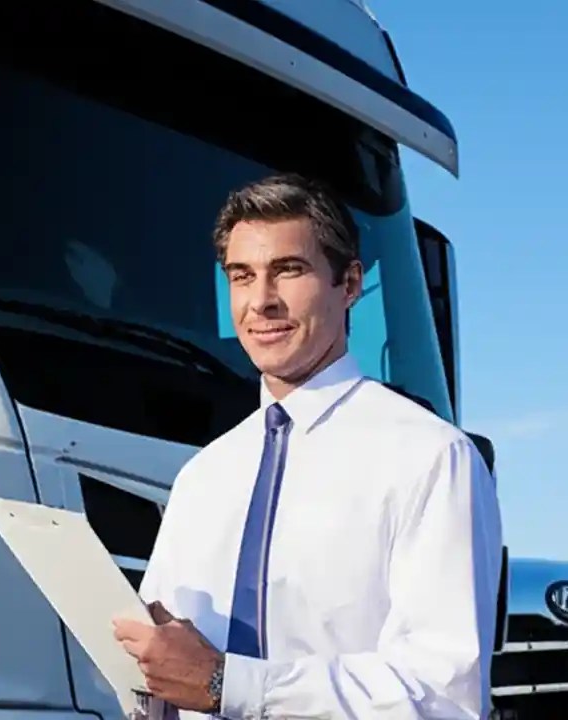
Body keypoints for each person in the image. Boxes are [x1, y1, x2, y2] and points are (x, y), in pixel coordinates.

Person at [113, 173, 503, 719]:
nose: (261, 302)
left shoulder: (432, 458)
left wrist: (230, 683)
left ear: (349, 285)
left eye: (288, 271)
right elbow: (169, 682)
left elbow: (443, 695)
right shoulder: (202, 476)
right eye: (242, 276)